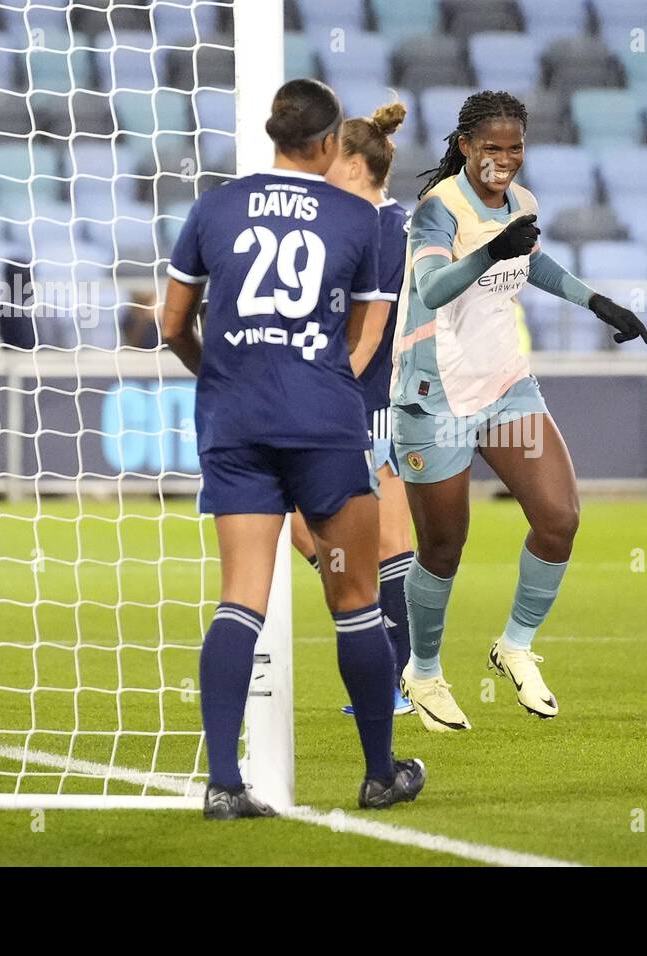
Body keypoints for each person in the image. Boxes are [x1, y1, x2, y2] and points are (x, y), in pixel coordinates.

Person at [161, 78, 425, 817]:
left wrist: (218, 366)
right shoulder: (357, 218)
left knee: (240, 597)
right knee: (354, 596)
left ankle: (222, 784)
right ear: (330, 144)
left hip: (235, 424)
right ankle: (379, 772)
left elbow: (173, 322)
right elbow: (367, 334)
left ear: (278, 135)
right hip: (323, 428)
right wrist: (319, 375)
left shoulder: (215, 205)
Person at [391, 90, 647, 732]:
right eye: (491, 149)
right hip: (436, 397)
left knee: (559, 519)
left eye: (514, 148)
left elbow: (531, 264)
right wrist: (490, 252)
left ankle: (514, 645)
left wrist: (598, 303)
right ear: (464, 147)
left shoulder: (522, 204)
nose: (503, 161)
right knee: (445, 547)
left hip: (506, 385)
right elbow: (431, 285)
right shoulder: (437, 211)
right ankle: (423, 673)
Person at [283, 100, 417, 719]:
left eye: (333, 163)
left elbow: (373, 331)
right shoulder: (352, 225)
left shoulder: (389, 228)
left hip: (375, 398)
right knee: (300, 522)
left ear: (358, 166)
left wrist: (328, 390)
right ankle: (377, 646)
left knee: (388, 534)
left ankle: (399, 678)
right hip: (344, 392)